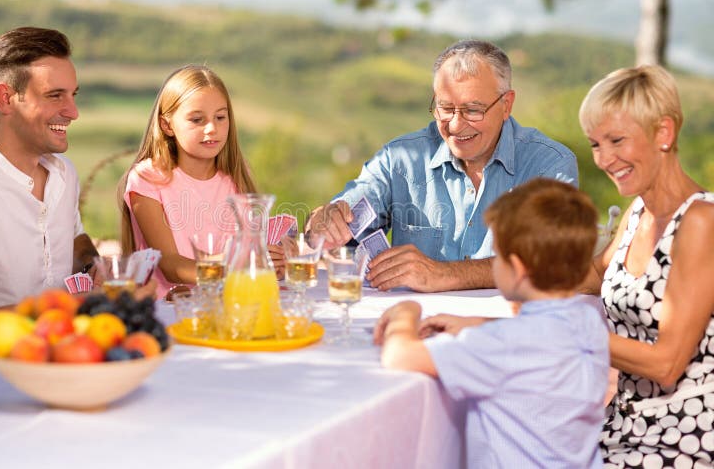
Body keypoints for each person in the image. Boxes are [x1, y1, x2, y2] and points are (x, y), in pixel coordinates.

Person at [306, 39, 578, 292]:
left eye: (473, 110)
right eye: (446, 108)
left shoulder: (549, 164)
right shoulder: (400, 158)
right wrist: (322, 223)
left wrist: (444, 274)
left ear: (506, 105)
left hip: (505, 331)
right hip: (415, 327)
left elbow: (550, 262)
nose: (456, 126)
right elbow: (345, 211)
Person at [374, 178, 609, 467]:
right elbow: (540, 337)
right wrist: (479, 324)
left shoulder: (501, 345)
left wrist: (404, 313)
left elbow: (401, 357)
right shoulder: (587, 319)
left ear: (518, 269)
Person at [578, 65, 714, 467]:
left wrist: (562, 331)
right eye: (595, 144)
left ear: (664, 134)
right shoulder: (638, 211)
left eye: (617, 140)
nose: (604, 159)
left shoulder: (701, 222)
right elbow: (592, 276)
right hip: (623, 427)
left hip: (683, 439)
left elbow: (666, 364)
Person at [0, 27, 99, 306]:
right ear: (6, 98)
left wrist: (94, 265)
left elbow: (74, 237)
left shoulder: (64, 173)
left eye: (73, 95)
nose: (73, 112)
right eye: (55, 95)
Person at [119, 64, 284, 299]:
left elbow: (249, 249)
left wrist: (274, 261)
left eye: (220, 117)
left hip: (231, 305)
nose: (212, 129)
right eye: (197, 119)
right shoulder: (147, 179)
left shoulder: (236, 174)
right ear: (167, 125)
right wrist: (240, 267)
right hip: (169, 311)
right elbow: (172, 265)